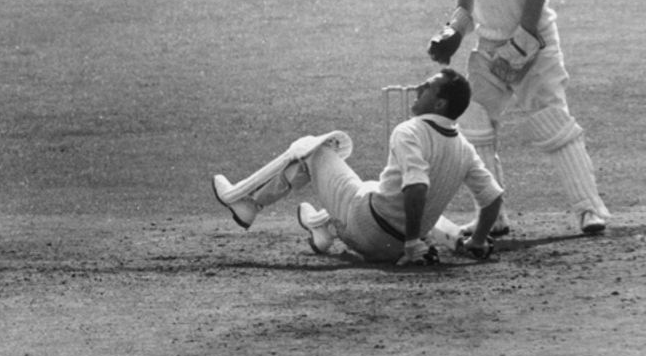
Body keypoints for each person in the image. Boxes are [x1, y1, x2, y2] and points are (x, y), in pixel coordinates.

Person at [427, 0, 609, 237]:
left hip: (533, 41)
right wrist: (455, 31)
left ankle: (589, 211)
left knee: (550, 120)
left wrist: (519, 49)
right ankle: (493, 217)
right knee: (474, 123)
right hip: (490, 43)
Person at [212, 68, 505, 266]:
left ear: (439, 104)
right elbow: (493, 197)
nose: (419, 88)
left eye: (427, 87)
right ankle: (322, 228)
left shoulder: (409, 131)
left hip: (367, 229)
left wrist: (414, 242)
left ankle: (246, 202)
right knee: (373, 187)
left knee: (312, 148)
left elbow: (417, 187)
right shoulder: (464, 148)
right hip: (393, 248)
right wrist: (478, 240)